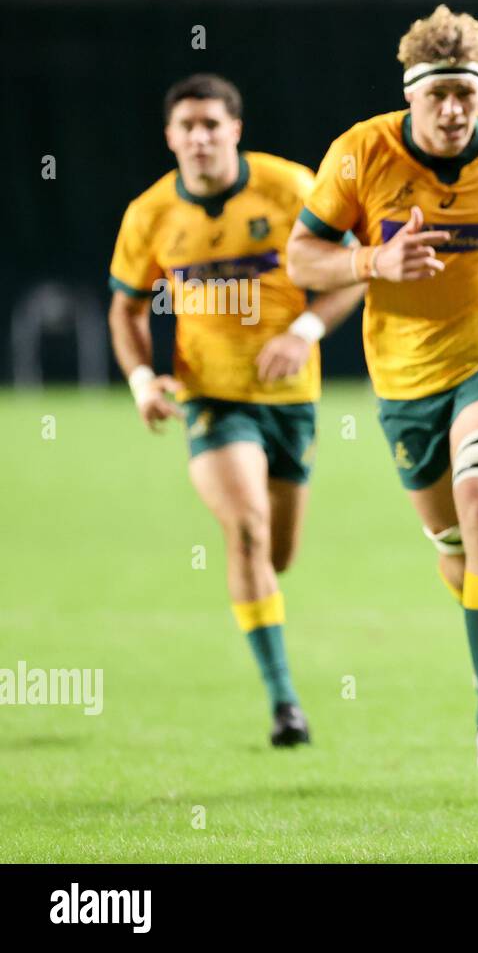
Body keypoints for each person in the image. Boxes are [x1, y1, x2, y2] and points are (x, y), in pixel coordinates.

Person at [285, 5, 478, 778]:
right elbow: (300, 258)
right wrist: (372, 266)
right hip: (401, 381)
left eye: (468, 91)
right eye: (439, 95)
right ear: (410, 94)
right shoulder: (361, 154)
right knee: (457, 547)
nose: (455, 110)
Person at [107, 73, 365, 746]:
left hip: (291, 401)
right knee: (246, 528)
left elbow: (351, 272)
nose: (198, 137)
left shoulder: (289, 188)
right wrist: (141, 379)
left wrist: (302, 332)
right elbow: (127, 307)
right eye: (186, 126)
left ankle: (262, 618)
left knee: (276, 554)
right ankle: (285, 704)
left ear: (235, 130)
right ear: (170, 137)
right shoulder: (150, 213)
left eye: (211, 125)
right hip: (212, 397)